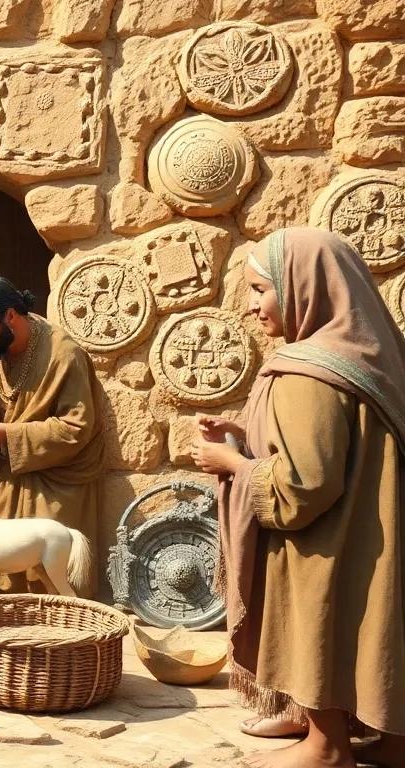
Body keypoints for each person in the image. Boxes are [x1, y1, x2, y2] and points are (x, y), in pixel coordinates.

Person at [191, 228, 405, 768]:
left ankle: (326, 744)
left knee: (315, 619)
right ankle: (395, 740)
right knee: (376, 623)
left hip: (325, 545)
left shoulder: (307, 373)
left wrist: (233, 463)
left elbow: (301, 488)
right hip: (373, 533)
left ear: (302, 284)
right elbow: (339, 444)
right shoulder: (372, 351)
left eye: (260, 289)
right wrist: (246, 430)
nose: (250, 306)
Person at [0, 276, 105, 594]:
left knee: (47, 569)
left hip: (55, 475)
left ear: (9, 316)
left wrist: (8, 434)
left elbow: (76, 427)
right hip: (5, 471)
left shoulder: (64, 355)